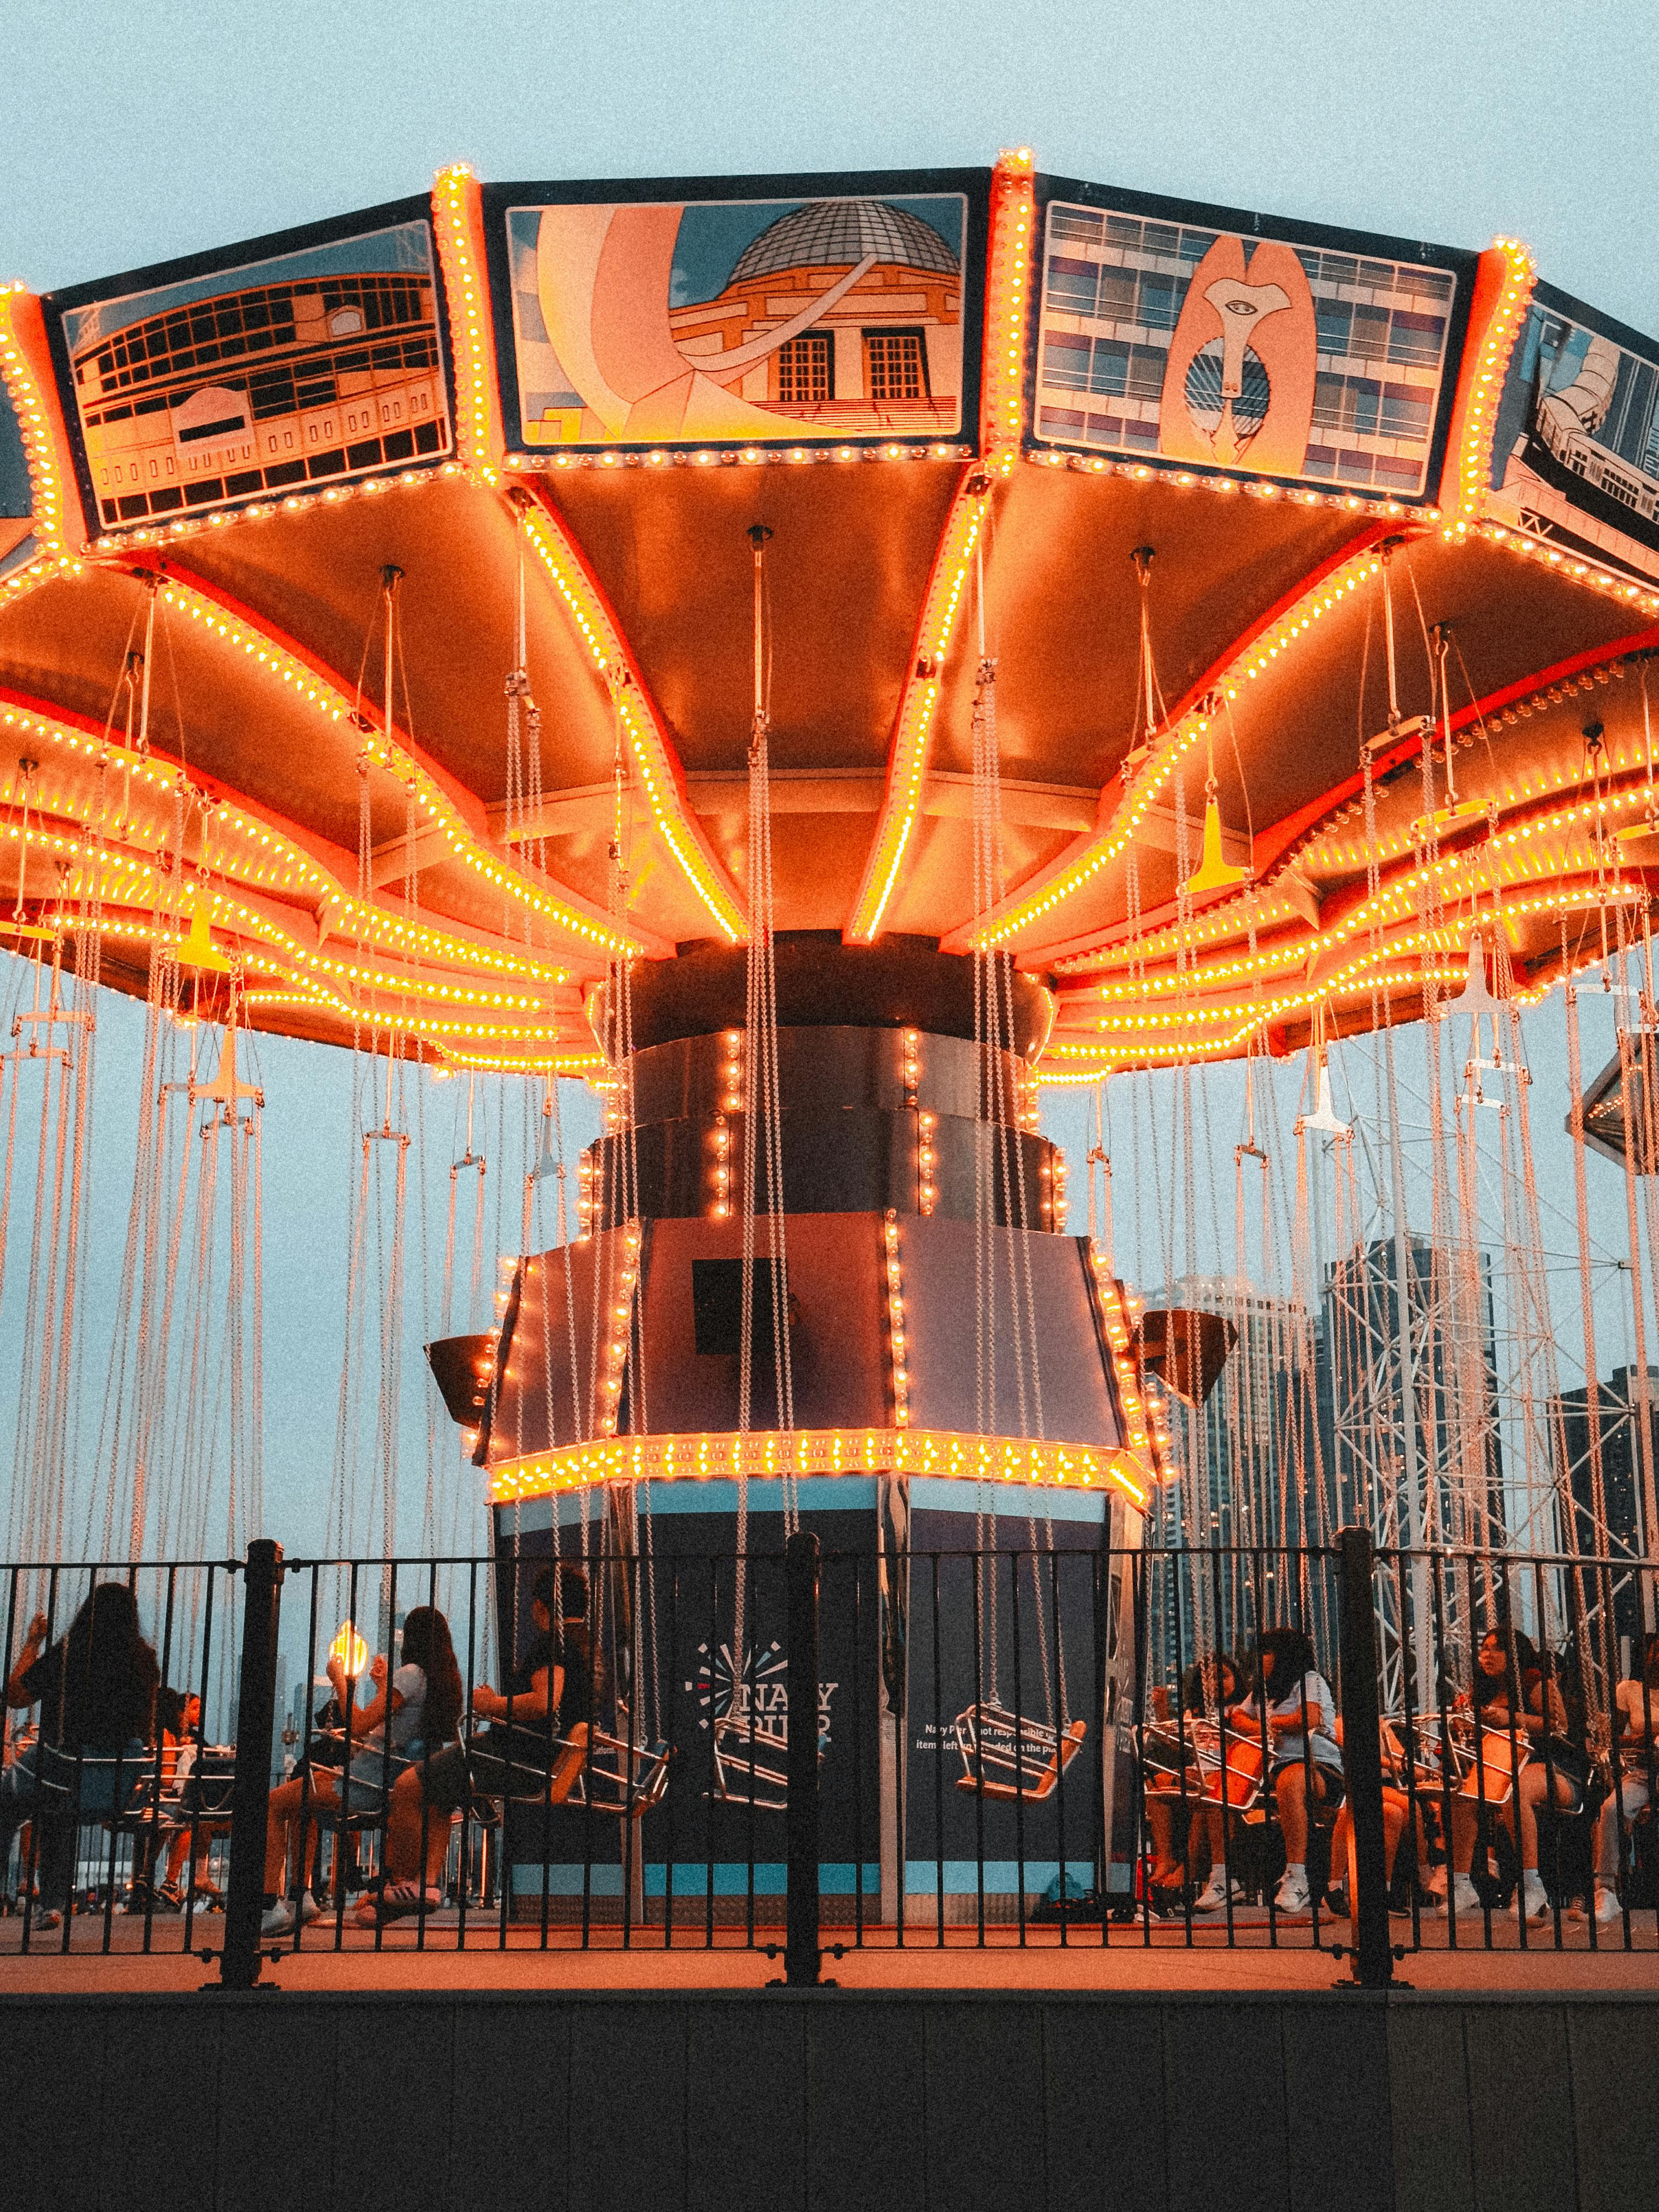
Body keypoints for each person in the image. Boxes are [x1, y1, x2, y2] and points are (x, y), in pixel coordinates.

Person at [361, 1560, 597, 1923]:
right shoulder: (587, 1646)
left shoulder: (554, 1643)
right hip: (536, 1757)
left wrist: (491, 1705)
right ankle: (427, 1884)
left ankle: (399, 1883)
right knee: (441, 1792)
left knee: (407, 1788)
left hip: (515, 1757)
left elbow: (544, 1701)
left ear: (540, 1606)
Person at [261, 1605, 462, 1936]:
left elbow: (356, 1725)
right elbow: (395, 1730)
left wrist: (340, 1682)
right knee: (300, 1797)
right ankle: (300, 1898)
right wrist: (385, 1686)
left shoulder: (411, 1674)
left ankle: (268, 1906)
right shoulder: (439, 1682)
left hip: (364, 1784)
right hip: (377, 1776)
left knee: (274, 1803)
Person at [1, 1584, 160, 1927]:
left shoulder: (71, 1655)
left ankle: (47, 1899)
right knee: (59, 1807)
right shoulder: (145, 1660)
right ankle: (53, 1904)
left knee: (13, 1803)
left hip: (67, 1769)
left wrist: (32, 1643)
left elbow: (15, 1696)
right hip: (118, 1784)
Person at [1430, 1627, 1587, 1922]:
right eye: (1483, 1648)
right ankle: (1461, 1882)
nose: (1485, 1655)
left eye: (1495, 1649)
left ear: (1514, 1654)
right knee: (1463, 1795)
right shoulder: (1483, 1690)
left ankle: (1532, 1884)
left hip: (1554, 1768)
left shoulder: (1535, 1683)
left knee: (1514, 1791)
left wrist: (1511, 1718)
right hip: (1502, 1765)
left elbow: (1560, 1726)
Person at [1194, 1624, 1343, 1915]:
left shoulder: (1309, 1681)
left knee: (1290, 1781)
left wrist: (1268, 1726)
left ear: (1285, 1655)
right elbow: (1237, 1717)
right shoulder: (1262, 1692)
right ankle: (1223, 1877)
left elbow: (1309, 1718)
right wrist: (1267, 1728)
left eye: (1267, 1652)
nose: (1260, 1658)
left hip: (1318, 1765)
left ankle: (1297, 1876)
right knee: (1217, 1789)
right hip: (1270, 1767)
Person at [1140, 1651, 1243, 1900]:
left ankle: (1191, 1866)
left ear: (1236, 1679)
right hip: (1198, 1772)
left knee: (1204, 1793)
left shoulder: (1241, 1710)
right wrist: (1163, 1712)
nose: (1218, 1684)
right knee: (1154, 1786)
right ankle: (1166, 1858)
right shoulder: (1194, 1713)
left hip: (1231, 1773)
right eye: (1211, 1679)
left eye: (1224, 1677)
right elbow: (1176, 1743)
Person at [1591, 1629, 1659, 1925]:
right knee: (1611, 1808)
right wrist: (1649, 1736)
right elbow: (1615, 1740)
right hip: (1645, 1770)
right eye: (1654, 1651)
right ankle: (1605, 1888)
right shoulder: (1629, 1689)